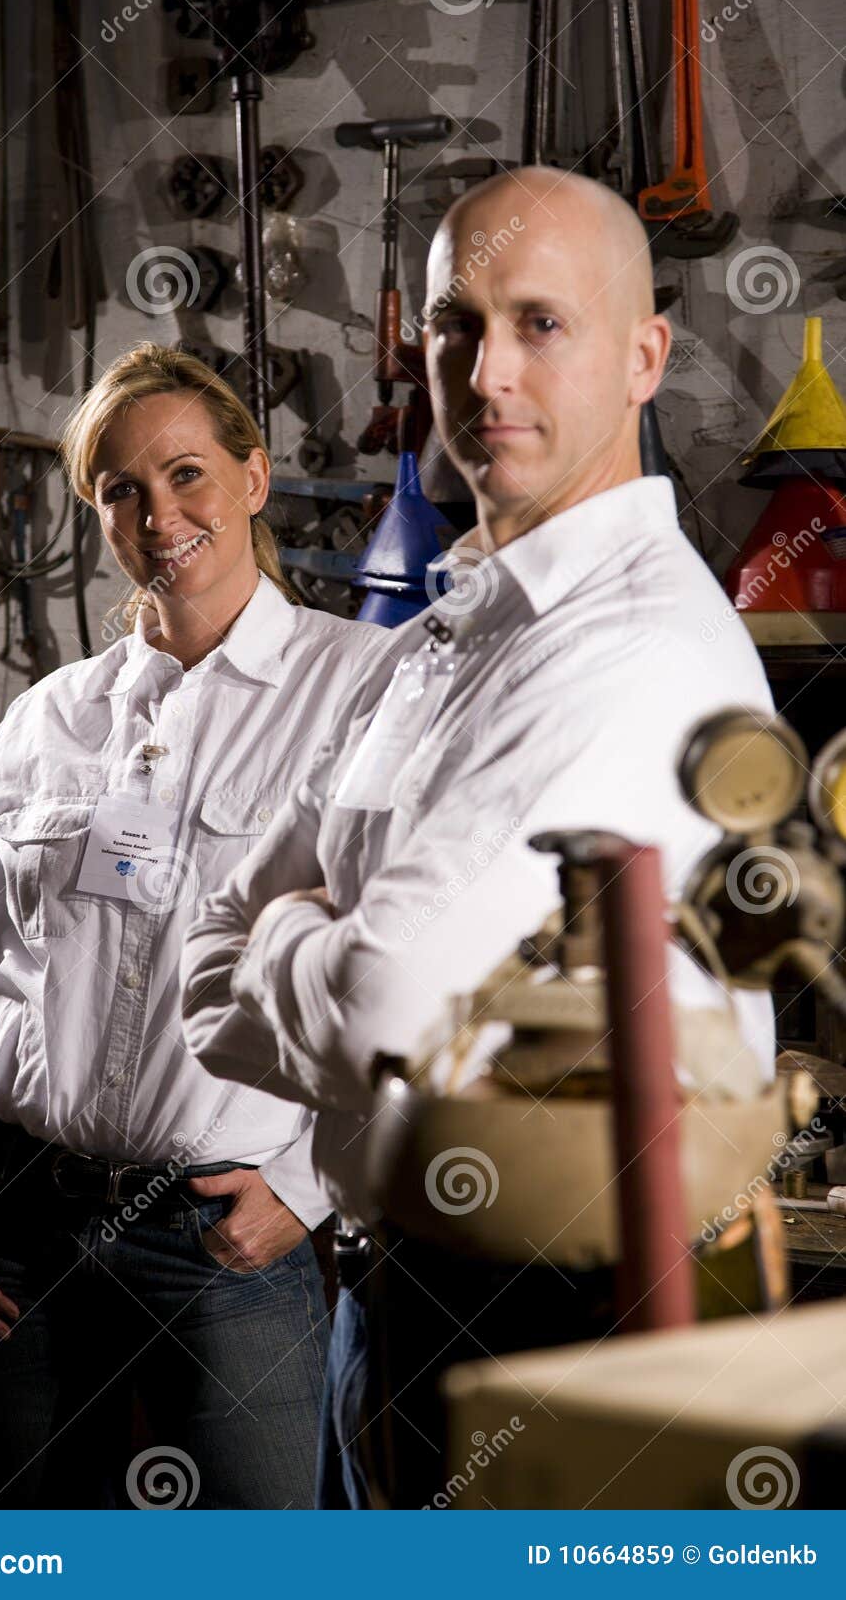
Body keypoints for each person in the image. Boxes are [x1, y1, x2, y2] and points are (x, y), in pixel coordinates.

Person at [180, 167, 777, 1506]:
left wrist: (282, 926)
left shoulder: (630, 651)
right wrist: (301, 941)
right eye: (454, 326)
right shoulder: (449, 632)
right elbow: (197, 963)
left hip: (570, 1322)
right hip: (397, 1293)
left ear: (641, 358)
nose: (486, 370)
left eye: (537, 323)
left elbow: (366, 1006)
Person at [0, 342, 391, 1510]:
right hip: (9, 1222)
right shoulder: (56, 714)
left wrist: (313, 1181)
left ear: (254, 479)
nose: (161, 514)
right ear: (96, 513)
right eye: (121, 489)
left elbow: (430, 962)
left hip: (220, 1229)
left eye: (189, 473)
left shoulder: (367, 689)